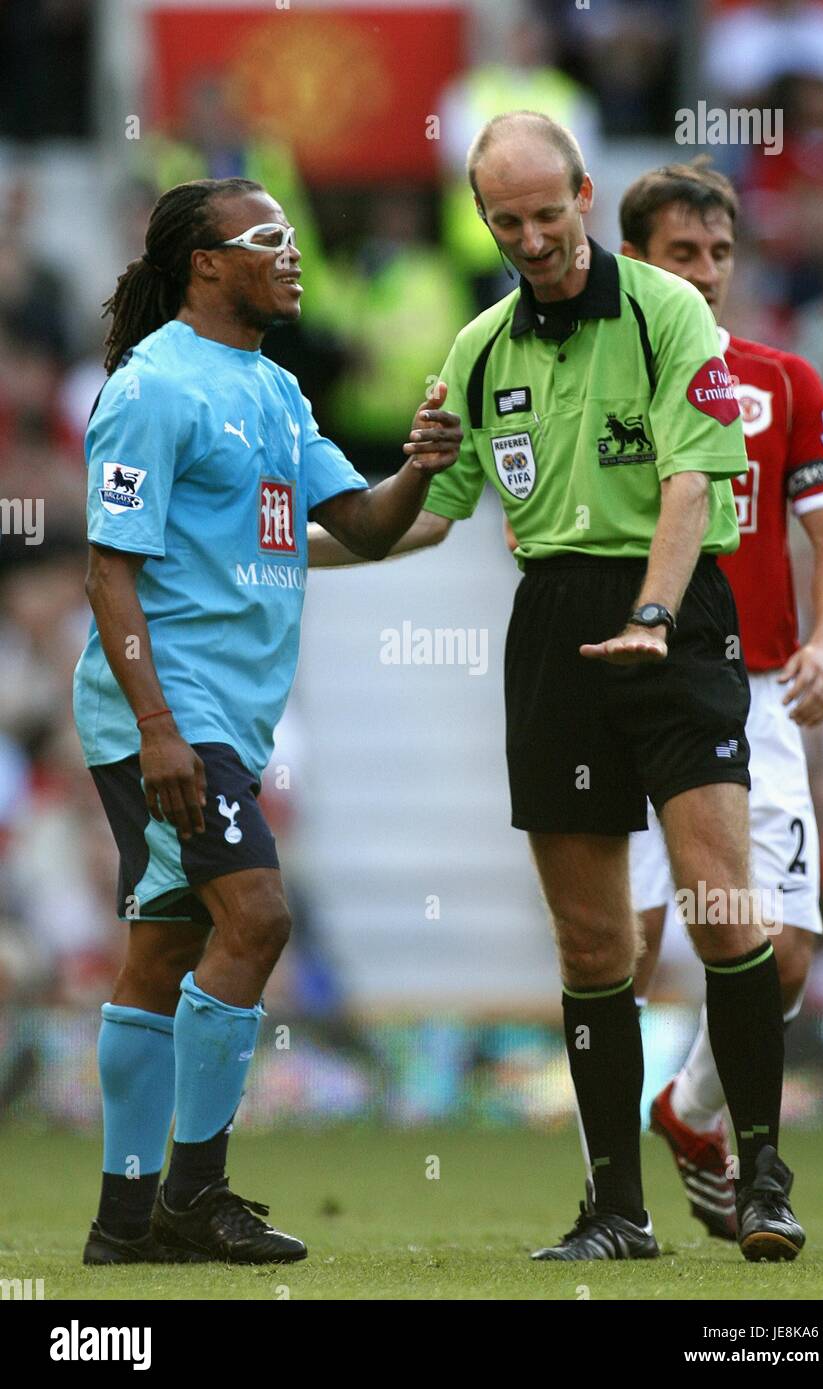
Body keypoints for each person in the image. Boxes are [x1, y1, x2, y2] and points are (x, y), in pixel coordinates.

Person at [308, 111, 805, 1262]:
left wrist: (650, 614)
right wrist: (279, 553)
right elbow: (425, 523)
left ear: (583, 193)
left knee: (720, 904)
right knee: (589, 948)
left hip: (674, 619)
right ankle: (614, 1212)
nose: (530, 236)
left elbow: (689, 482)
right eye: (506, 219)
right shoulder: (479, 348)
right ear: (479, 218)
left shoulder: (668, 310)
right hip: (553, 629)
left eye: (546, 212)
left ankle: (763, 1177)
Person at [72, 176, 461, 1265]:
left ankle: (122, 1221)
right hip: (165, 707)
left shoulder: (278, 390)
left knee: (168, 947)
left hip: (225, 714)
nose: (294, 253)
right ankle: (196, 1193)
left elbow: (367, 528)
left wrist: (421, 466)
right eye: (269, 239)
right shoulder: (152, 387)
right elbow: (108, 569)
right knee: (256, 918)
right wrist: (156, 725)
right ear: (206, 263)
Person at [618, 160, 823, 1239]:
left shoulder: (782, 380)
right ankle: (605, 1201)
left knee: (784, 955)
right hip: (619, 687)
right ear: (635, 261)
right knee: (620, 948)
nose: (708, 274)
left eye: (719, 254)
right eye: (683, 254)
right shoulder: (591, 378)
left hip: (754, 691)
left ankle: (687, 1108)